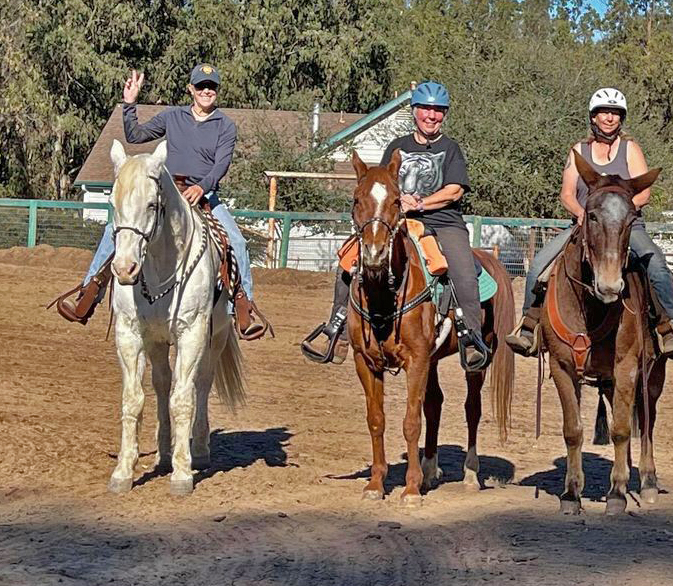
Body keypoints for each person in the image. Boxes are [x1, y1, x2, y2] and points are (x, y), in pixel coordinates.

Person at [53, 64, 264, 338]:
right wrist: (130, 104)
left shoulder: (225, 126)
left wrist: (202, 187)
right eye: (201, 86)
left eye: (211, 86)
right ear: (191, 89)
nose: (206, 91)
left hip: (206, 195)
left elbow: (220, 165)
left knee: (236, 241)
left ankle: (243, 307)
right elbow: (135, 136)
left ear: (217, 92)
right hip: (167, 193)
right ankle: (88, 291)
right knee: (116, 230)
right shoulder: (172, 117)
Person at [300, 81, 492, 371]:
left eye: (438, 110)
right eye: (426, 109)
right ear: (414, 111)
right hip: (398, 221)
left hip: (443, 222)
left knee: (464, 271)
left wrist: (421, 203)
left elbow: (455, 190)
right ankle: (336, 331)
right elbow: (380, 183)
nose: (431, 115)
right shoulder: (397, 146)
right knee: (349, 261)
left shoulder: (450, 149)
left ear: (444, 114)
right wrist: (397, 201)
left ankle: (472, 338)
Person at [505, 87, 673, 359]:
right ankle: (529, 326)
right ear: (593, 117)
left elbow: (644, 192)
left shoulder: (630, 149)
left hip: (627, 227)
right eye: (604, 112)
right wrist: (582, 213)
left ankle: (668, 327)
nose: (610, 118)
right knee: (539, 266)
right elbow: (566, 194)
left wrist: (620, 213)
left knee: (657, 264)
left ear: (621, 118)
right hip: (586, 225)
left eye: (615, 113)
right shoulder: (579, 151)